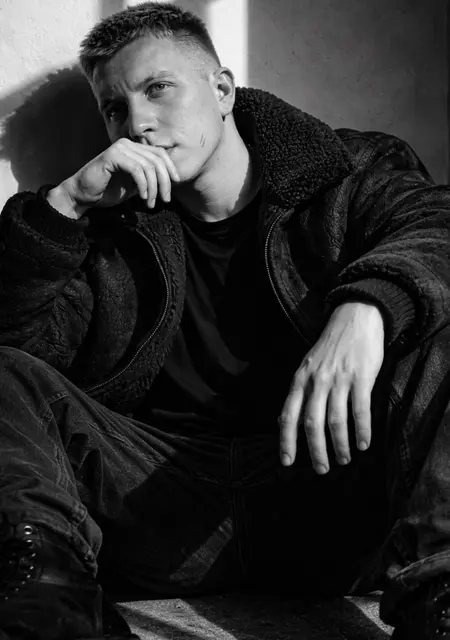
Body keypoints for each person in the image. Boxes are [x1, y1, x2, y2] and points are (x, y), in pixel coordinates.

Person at [0, 2, 449, 639]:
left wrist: (370, 306)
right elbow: (19, 349)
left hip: (330, 491)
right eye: (115, 108)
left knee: (439, 320)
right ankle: (49, 614)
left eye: (158, 88)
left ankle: (441, 607)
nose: (138, 123)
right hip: (164, 503)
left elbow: (434, 226)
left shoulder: (345, 171)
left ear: (222, 90)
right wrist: (65, 205)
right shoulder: (109, 228)